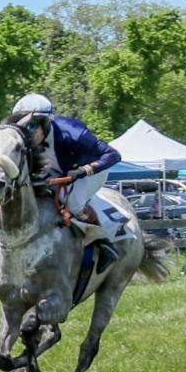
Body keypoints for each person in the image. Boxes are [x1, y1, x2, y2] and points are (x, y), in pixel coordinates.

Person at [11, 93, 123, 271]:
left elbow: (113, 155)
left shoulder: (74, 133)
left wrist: (84, 171)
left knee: (73, 202)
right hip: (60, 168)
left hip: (92, 170)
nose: (26, 134)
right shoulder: (26, 141)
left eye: (31, 126)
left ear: (45, 124)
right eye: (22, 127)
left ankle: (104, 242)